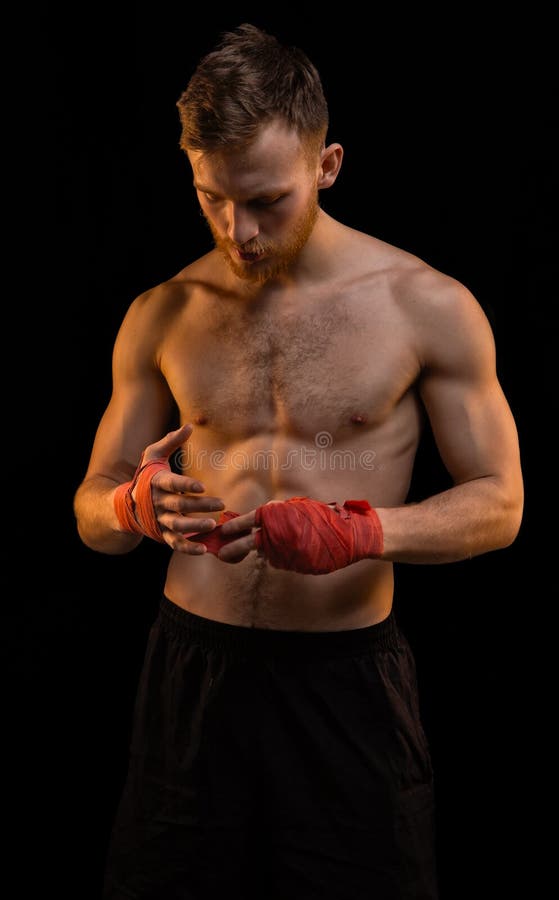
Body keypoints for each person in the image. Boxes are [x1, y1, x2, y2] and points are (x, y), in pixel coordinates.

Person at [73, 22, 524, 900]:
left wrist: (358, 533)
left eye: (266, 199)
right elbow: (92, 514)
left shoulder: (426, 305)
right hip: (190, 673)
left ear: (327, 165)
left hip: (343, 683)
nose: (236, 230)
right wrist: (131, 507)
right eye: (210, 198)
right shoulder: (163, 311)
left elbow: (500, 505)